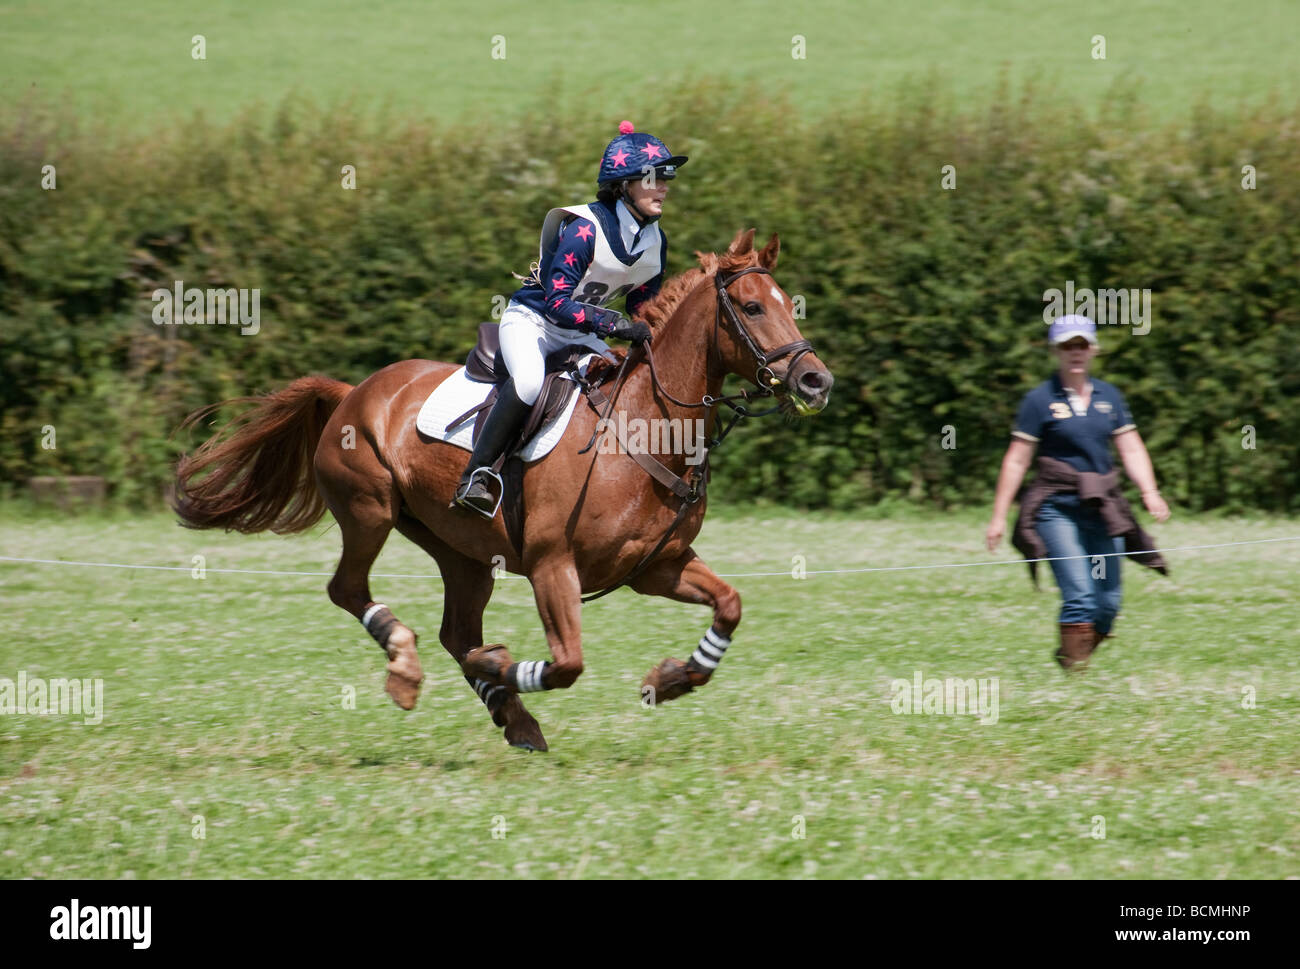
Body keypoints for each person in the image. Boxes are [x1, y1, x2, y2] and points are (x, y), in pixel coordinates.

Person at [451, 120, 687, 516]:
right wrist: (616, 327)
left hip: (581, 334)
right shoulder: (584, 229)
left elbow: (643, 309)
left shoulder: (654, 241)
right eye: (653, 178)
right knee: (527, 384)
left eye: (667, 179)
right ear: (625, 184)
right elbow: (558, 303)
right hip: (534, 324)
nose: (664, 187)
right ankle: (475, 476)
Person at [986, 315, 1171, 669]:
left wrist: (1150, 491)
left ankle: (1073, 654)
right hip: (1057, 511)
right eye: (1067, 345)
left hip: (1102, 509)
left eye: (1082, 345)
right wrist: (998, 517)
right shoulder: (1039, 400)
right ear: (1056, 351)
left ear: (1093, 351)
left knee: (1107, 602)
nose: (1075, 352)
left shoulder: (1109, 397)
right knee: (1081, 595)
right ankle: (1075, 675)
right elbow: (1016, 461)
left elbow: (1131, 447)